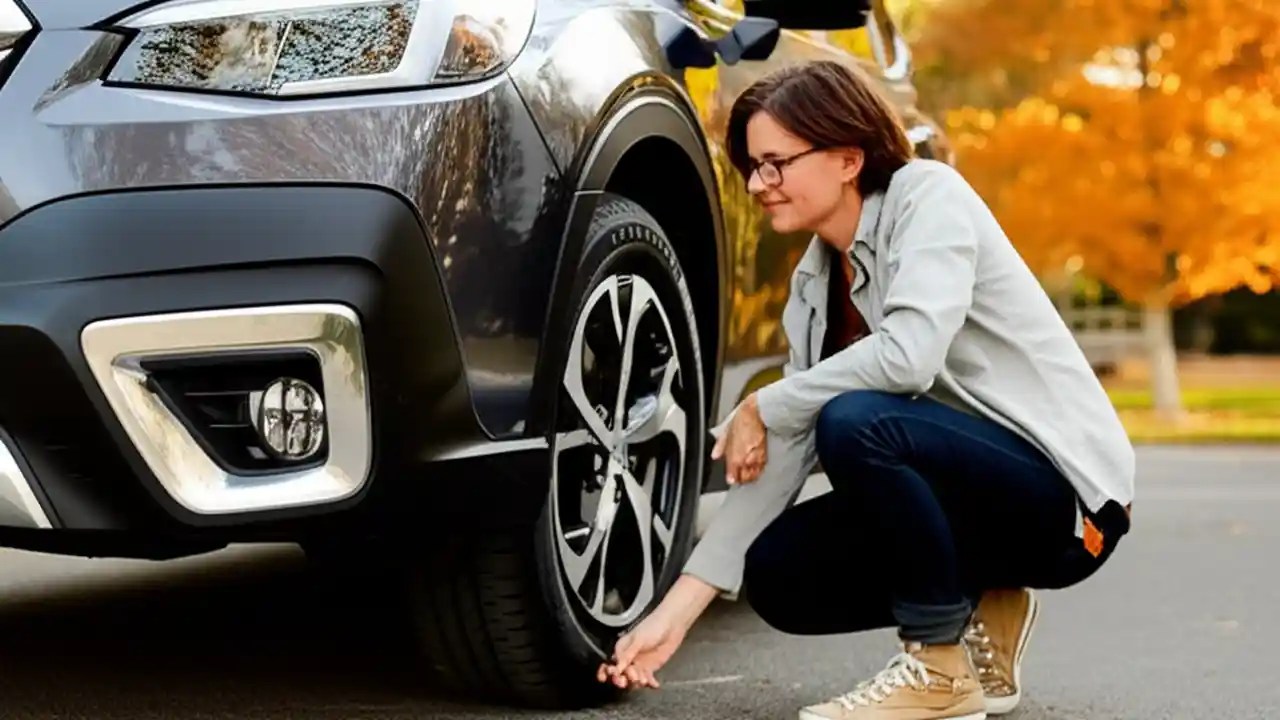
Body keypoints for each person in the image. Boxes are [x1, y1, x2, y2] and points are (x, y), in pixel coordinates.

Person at [593, 59, 1136, 720]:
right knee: (777, 575)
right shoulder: (815, 285)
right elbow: (783, 448)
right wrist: (674, 614)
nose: (758, 184)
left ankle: (938, 668)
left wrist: (763, 402)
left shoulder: (929, 196)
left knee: (857, 423)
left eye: (774, 163)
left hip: (1068, 506)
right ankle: (987, 596)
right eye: (751, 167)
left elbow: (908, 358)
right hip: (978, 495)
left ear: (846, 159)